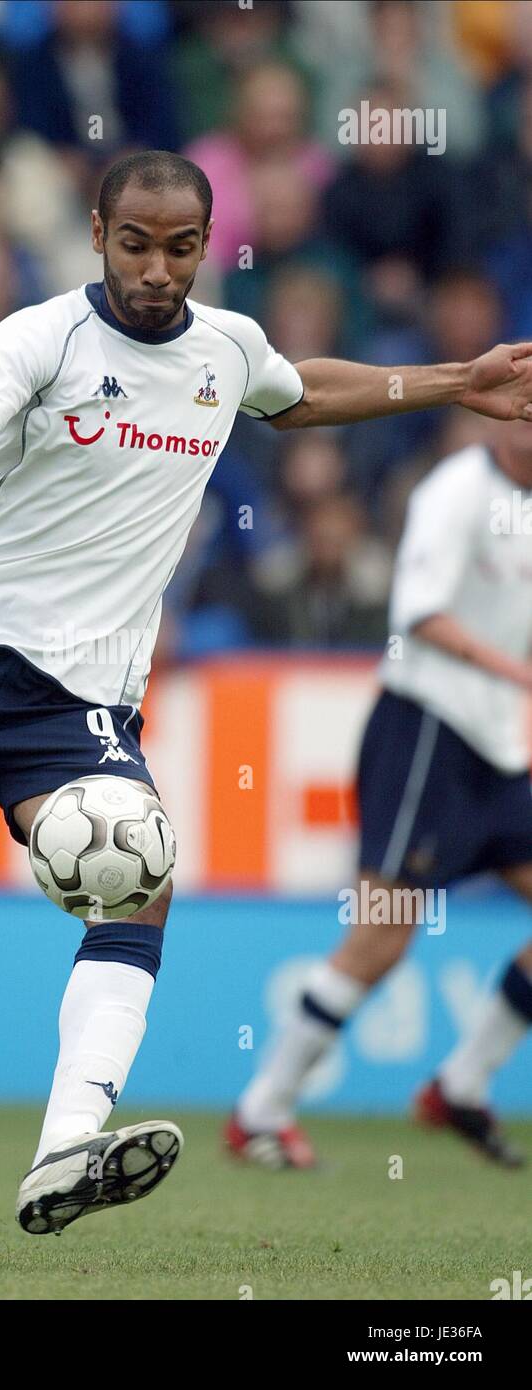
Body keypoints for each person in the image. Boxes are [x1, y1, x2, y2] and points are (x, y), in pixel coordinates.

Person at [0, 149, 532, 1235]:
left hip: (76, 697)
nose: (155, 269)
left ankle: (63, 1148)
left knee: (139, 878)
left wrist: (457, 381)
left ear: (205, 246)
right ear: (97, 235)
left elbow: (298, 393)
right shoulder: (38, 338)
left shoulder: (226, 349)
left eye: (179, 248)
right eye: (134, 245)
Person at [228, 416, 532, 1169]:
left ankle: (461, 1086)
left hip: (500, 746)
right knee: (384, 933)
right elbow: (419, 615)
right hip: (427, 730)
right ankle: (260, 1110)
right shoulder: (456, 490)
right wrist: (516, 672)